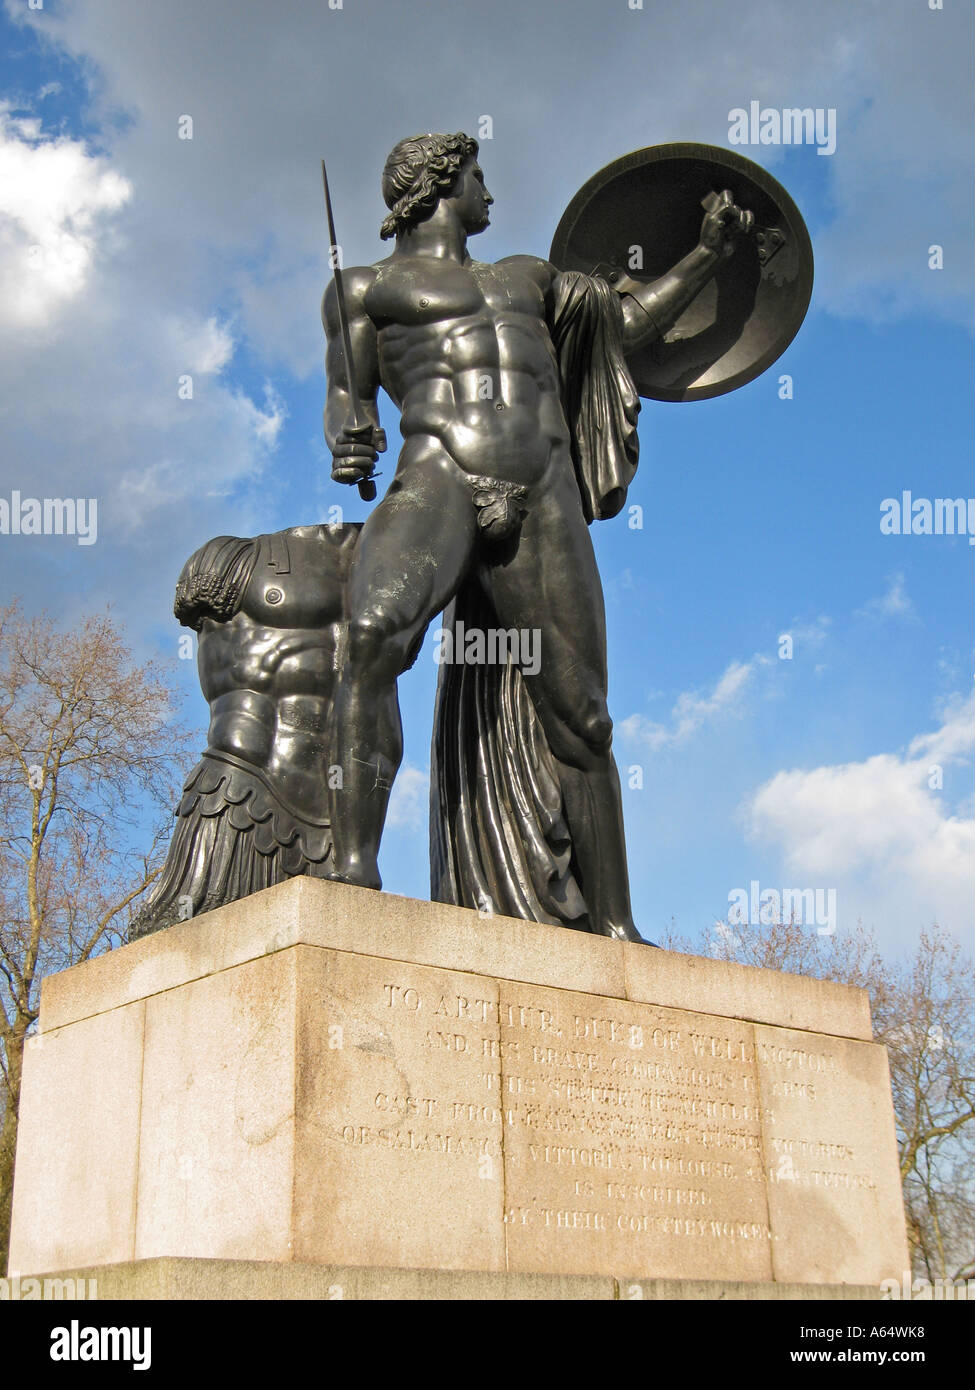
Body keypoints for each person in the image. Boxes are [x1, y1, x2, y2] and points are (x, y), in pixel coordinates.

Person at [323, 132, 753, 941]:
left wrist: (704, 256)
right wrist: (349, 437)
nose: (490, 192)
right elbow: (348, 403)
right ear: (442, 182)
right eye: (479, 176)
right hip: (436, 473)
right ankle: (352, 874)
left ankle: (617, 926)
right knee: (374, 637)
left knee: (583, 717)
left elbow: (625, 326)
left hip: (543, 487)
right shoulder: (363, 288)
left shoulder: (530, 276)